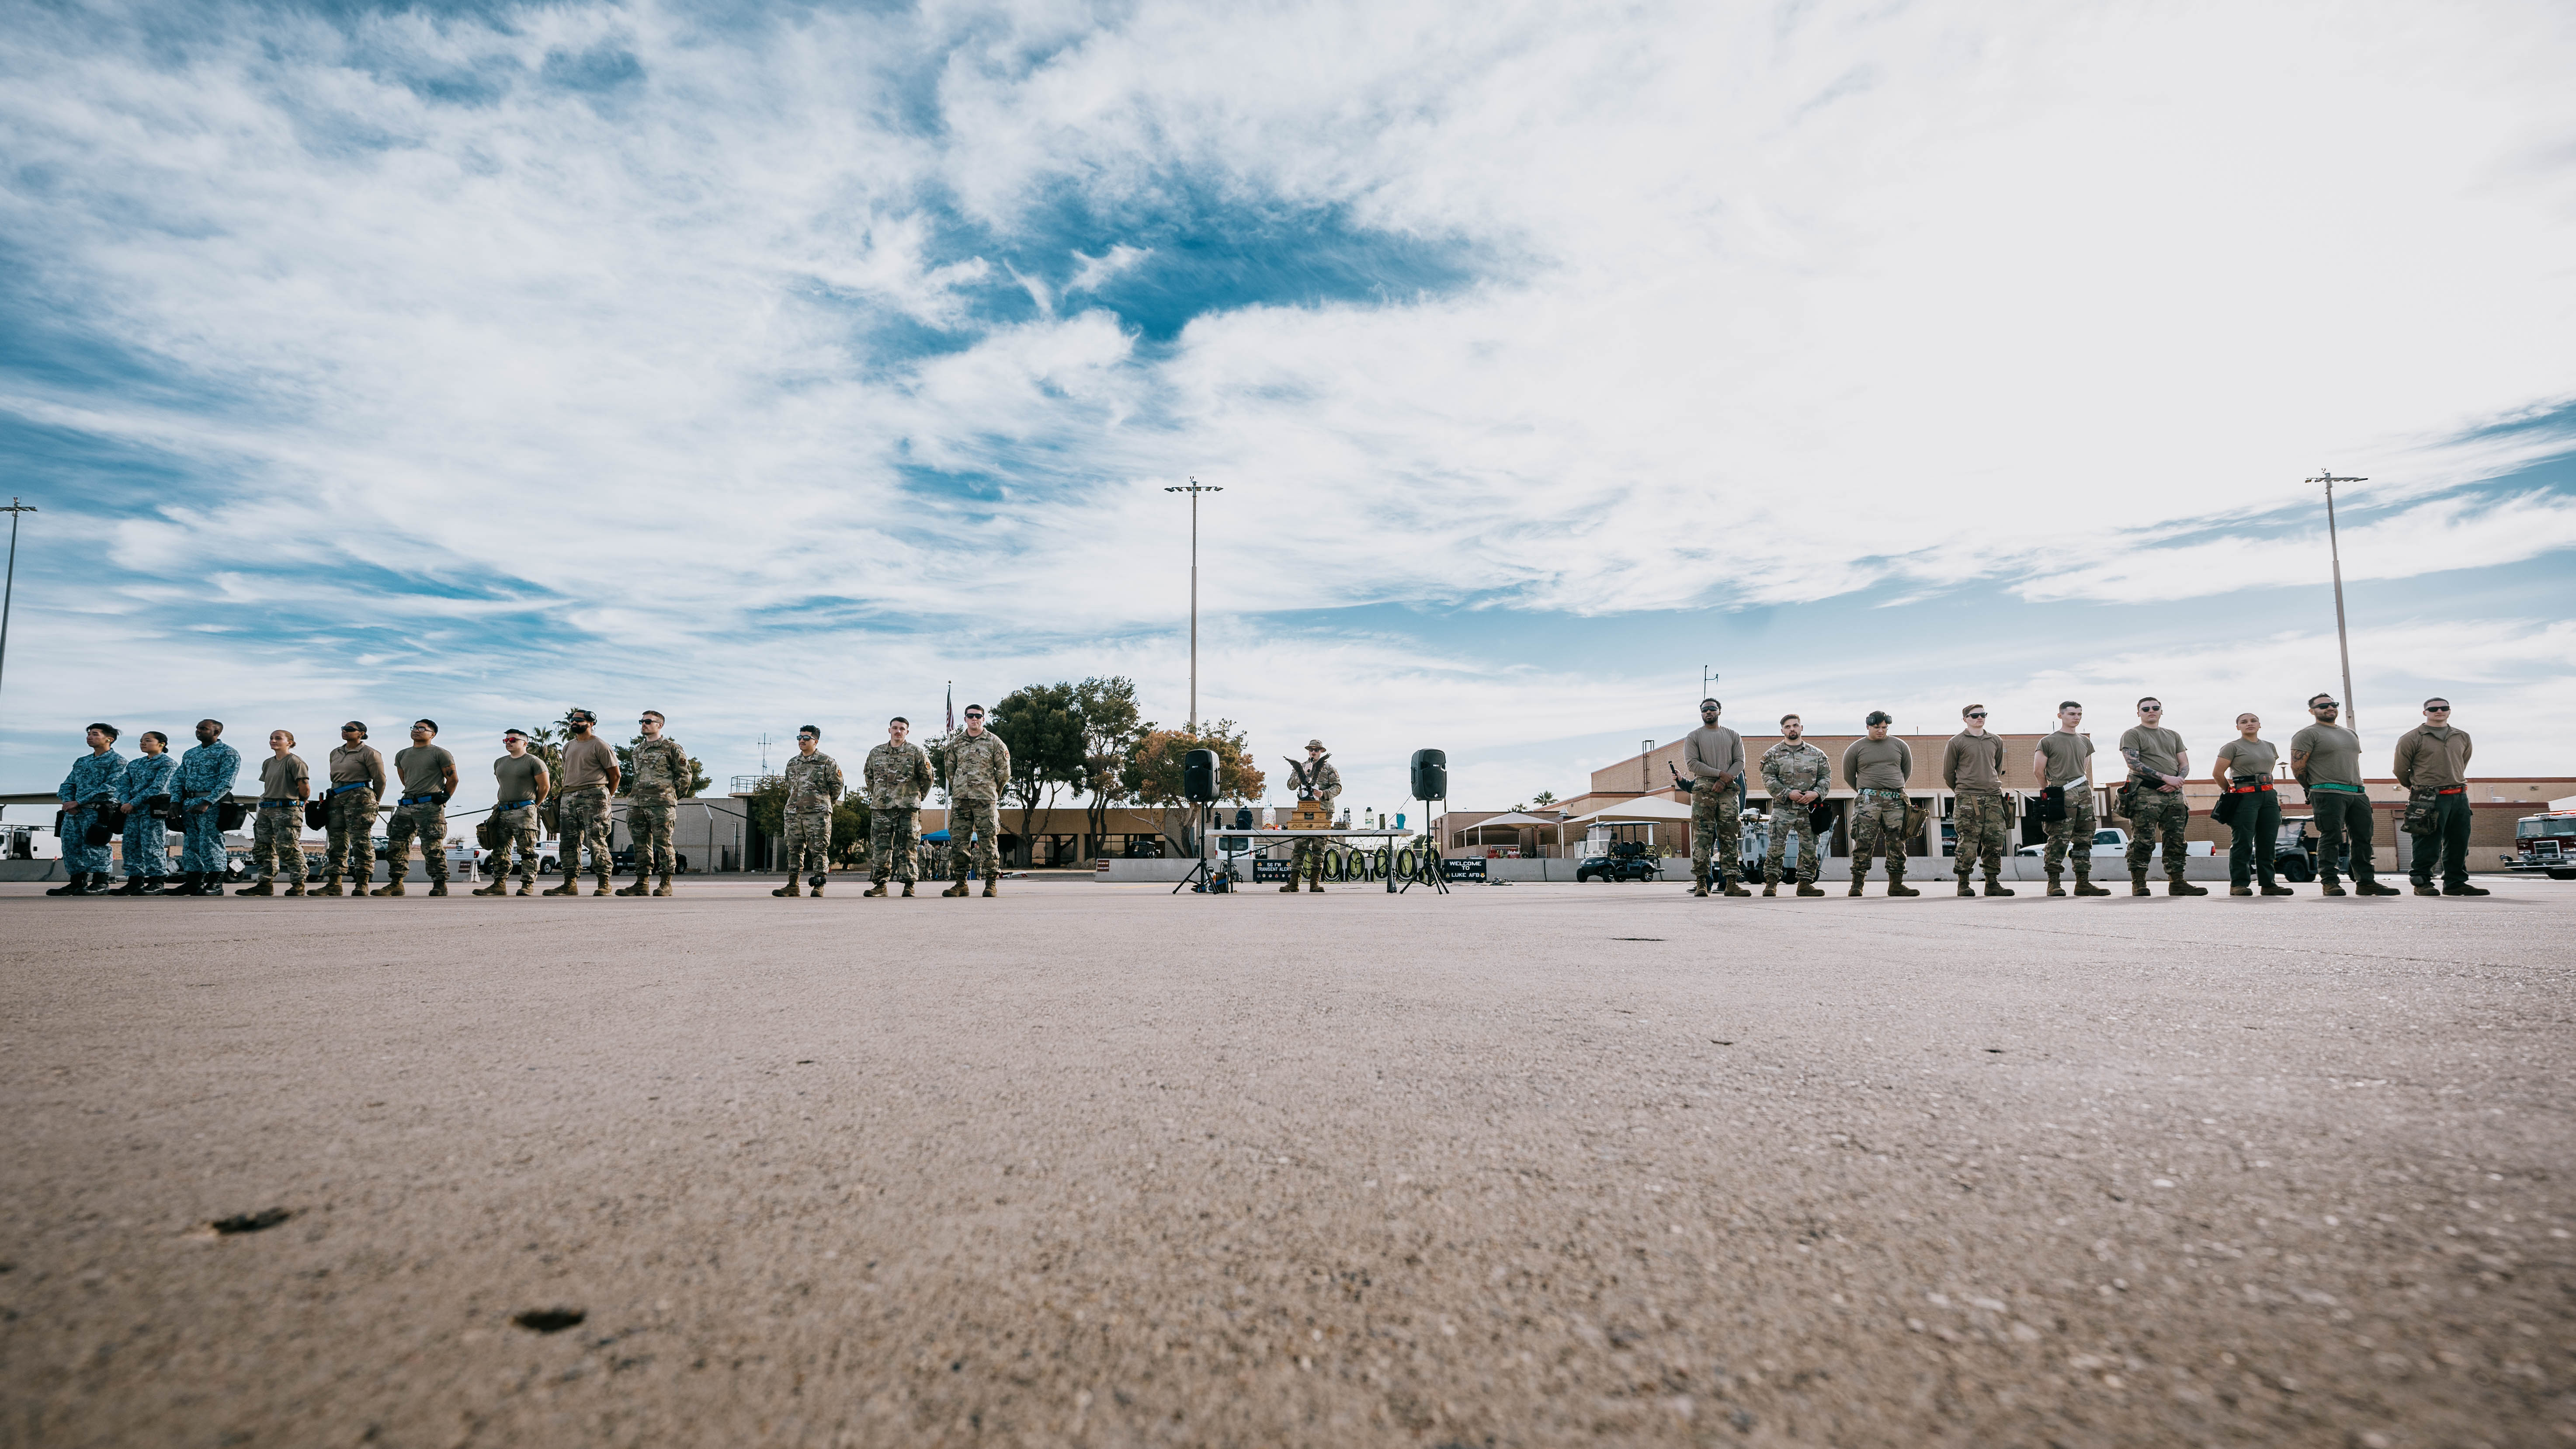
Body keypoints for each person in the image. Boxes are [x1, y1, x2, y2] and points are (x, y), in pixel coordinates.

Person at [2291, 692, 2396, 897]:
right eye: (2323, 706)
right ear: (2312, 711)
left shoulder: (2350, 734)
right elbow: (2298, 767)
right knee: (2332, 837)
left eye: (2333, 704)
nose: (2329, 708)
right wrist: (2313, 789)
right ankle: (2330, 882)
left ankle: (2366, 882)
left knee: (2363, 838)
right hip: (2327, 792)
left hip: (2357, 793)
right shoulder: (2307, 734)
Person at [2394, 697, 2483, 896]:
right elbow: (2400, 769)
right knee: (2427, 842)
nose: (2439, 711)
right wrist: (2418, 788)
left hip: (2459, 796)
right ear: (2425, 713)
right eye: (2433, 709)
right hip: (2428, 797)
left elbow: (2462, 762)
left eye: (2444, 708)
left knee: (2459, 841)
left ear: (2450, 711)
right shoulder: (2411, 738)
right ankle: (2422, 882)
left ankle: (2455, 883)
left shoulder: (2462, 736)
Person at [2119, 698, 2205, 896]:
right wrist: (2165, 778)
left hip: (2174, 795)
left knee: (2176, 840)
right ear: (2139, 712)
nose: (2151, 711)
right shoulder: (2132, 734)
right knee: (2143, 840)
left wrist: (2177, 780)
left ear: (2161, 711)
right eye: (2146, 709)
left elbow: (2184, 763)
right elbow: (2133, 763)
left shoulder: (2173, 735)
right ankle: (2139, 883)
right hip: (2145, 794)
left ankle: (2177, 882)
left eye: (2156, 708)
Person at [2031, 702, 2110, 897]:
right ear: (2060, 716)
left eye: (2079, 714)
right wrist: (2047, 792)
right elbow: (2038, 770)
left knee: (2084, 838)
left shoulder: (2084, 742)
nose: (2076, 718)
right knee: (2059, 838)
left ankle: (2083, 883)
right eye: (2072, 714)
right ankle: (2054, 883)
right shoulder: (2048, 741)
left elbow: (2084, 769)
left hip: (2083, 792)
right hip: (2061, 792)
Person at [2213, 712, 2293, 897]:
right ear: (2238, 727)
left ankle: (2269, 884)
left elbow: (2267, 771)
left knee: (2268, 841)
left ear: (2259, 724)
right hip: (2244, 797)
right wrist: (2229, 792)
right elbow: (2218, 773)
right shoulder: (2232, 747)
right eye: (2244, 722)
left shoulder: (2270, 747)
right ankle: (2239, 884)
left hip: (2269, 796)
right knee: (2243, 841)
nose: (2249, 724)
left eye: (2253, 721)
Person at [375, 719, 457, 897]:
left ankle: (439, 884)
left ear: (432, 734)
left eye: (422, 729)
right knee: (396, 845)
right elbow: (405, 779)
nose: (417, 731)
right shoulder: (402, 755)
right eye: (415, 728)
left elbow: (453, 779)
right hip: (407, 804)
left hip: (430, 806)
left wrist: (444, 797)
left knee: (432, 847)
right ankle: (396, 884)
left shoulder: (440, 754)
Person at [1839, 712, 1917, 897]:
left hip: (1896, 800)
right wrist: (1868, 790)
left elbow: (1906, 772)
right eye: (1877, 728)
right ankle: (1857, 885)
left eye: (1884, 728)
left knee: (1898, 842)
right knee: (1863, 841)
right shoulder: (1856, 748)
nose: (1881, 731)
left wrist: (1892, 787)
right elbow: (1849, 776)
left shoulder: (1900, 746)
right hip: (1868, 801)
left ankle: (1896, 884)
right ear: (1868, 727)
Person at [545, 709, 621, 897]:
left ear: (591, 723)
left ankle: (604, 882)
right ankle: (570, 883)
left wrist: (605, 798)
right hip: (569, 796)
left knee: (596, 840)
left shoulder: (600, 745)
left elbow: (615, 775)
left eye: (578, 720)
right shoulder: (568, 746)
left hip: (594, 794)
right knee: (568, 842)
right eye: (572, 720)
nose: (573, 723)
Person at [1941, 704, 2013, 897]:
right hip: (1968, 798)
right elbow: (1948, 773)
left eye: (1983, 715)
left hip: (1993, 797)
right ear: (1965, 719)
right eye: (1975, 716)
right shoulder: (1956, 742)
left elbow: (1997, 767)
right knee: (1968, 842)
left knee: (1994, 841)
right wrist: (1962, 791)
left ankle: (1992, 883)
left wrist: (1989, 785)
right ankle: (1963, 883)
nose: (1980, 718)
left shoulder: (1995, 740)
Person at [941, 704, 1011, 898]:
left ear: (983, 719)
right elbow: (950, 771)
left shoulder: (994, 743)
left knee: (988, 841)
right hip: (962, 800)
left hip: (985, 800)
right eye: (971, 716)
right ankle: (961, 884)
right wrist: (960, 788)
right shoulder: (955, 745)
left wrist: (993, 791)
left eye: (978, 716)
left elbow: (1004, 772)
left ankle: (991, 883)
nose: (974, 719)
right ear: (965, 719)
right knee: (958, 841)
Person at [1683, 698, 1750, 897]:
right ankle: (1702, 882)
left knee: (1729, 837)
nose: (1708, 712)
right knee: (1702, 838)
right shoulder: (1693, 737)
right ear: (1701, 714)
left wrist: (1725, 780)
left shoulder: (1732, 735)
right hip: (1704, 791)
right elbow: (1693, 764)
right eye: (1705, 710)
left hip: (1728, 791)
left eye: (1712, 709)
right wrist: (1720, 774)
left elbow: (1740, 762)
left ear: (1720, 712)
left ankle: (1731, 883)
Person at [49, 723, 127, 896]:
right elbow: (68, 784)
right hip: (74, 813)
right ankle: (77, 883)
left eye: (95, 734)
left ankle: (101, 882)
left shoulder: (118, 761)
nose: (90, 737)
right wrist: (69, 801)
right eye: (89, 734)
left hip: (96, 812)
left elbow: (112, 787)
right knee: (71, 846)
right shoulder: (82, 761)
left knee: (96, 845)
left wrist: (79, 801)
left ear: (109, 739)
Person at [619, 711, 691, 897]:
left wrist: (671, 797)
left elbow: (685, 776)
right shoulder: (638, 750)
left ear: (660, 725)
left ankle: (666, 883)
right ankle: (641, 884)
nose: (644, 724)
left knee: (663, 843)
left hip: (662, 804)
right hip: (637, 804)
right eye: (642, 721)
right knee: (640, 845)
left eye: (648, 721)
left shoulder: (672, 748)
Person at [1759, 715, 1832, 897]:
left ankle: (1805, 883)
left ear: (1802, 728)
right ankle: (1771, 883)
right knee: (1776, 846)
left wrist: (1816, 794)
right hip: (1783, 808)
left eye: (1795, 726)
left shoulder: (1816, 754)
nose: (1792, 729)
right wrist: (1787, 793)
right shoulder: (1773, 754)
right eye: (1788, 726)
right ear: (1782, 730)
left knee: (1810, 846)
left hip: (1809, 809)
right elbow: (1768, 778)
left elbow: (1826, 778)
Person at [863, 718, 935, 897]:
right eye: (895, 728)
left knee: (908, 846)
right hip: (881, 808)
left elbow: (928, 778)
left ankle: (909, 885)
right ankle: (880, 885)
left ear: (907, 732)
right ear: (889, 730)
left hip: (908, 808)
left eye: (902, 729)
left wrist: (916, 798)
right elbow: (869, 777)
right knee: (880, 847)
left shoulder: (915, 753)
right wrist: (880, 795)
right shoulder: (876, 753)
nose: (898, 731)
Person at [169, 719, 242, 895]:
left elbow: (227, 782)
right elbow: (178, 779)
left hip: (211, 805)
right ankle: (193, 882)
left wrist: (207, 802)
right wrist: (175, 801)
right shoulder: (190, 754)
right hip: (188, 804)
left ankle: (216, 884)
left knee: (211, 843)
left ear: (216, 732)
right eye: (197, 728)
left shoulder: (228, 753)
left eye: (204, 729)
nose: (198, 731)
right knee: (191, 844)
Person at [473, 729, 549, 897]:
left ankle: (527, 885)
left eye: (513, 740)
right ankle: (499, 884)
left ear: (525, 743)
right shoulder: (499, 763)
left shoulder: (534, 762)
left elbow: (545, 787)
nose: (509, 743)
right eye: (506, 740)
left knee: (527, 850)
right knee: (499, 850)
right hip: (502, 810)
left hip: (525, 811)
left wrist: (533, 806)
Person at [236, 730, 311, 896]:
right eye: (271, 738)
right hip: (267, 808)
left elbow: (304, 787)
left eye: (278, 738)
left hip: (287, 809)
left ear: (289, 743)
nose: (273, 741)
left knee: (288, 847)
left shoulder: (295, 762)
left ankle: (298, 884)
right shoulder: (268, 763)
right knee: (263, 847)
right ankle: (265, 884)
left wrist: (300, 803)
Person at [317, 720, 386, 897]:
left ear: (361, 733)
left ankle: (362, 883)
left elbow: (380, 780)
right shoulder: (336, 753)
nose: (345, 732)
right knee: (337, 840)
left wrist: (374, 802)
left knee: (361, 840)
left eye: (349, 730)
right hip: (336, 796)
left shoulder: (370, 753)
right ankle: (334, 884)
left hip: (360, 796)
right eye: (343, 729)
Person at [775, 725, 844, 897]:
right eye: (799, 738)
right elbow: (789, 787)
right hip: (794, 813)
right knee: (794, 849)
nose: (802, 741)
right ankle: (793, 885)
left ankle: (819, 886)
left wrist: (826, 804)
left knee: (819, 850)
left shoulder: (827, 762)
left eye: (806, 738)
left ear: (816, 741)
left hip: (818, 814)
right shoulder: (792, 764)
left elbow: (837, 786)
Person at [111, 730, 179, 893]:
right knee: (130, 846)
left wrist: (133, 803)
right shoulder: (135, 764)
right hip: (132, 812)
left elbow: (158, 787)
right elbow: (122, 785)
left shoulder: (167, 764)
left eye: (148, 741)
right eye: (142, 741)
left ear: (161, 744)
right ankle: (135, 881)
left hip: (153, 811)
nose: (143, 743)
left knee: (152, 846)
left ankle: (157, 882)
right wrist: (126, 802)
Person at [1282, 739, 1342, 893]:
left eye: (1317, 750)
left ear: (1321, 751)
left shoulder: (1329, 769)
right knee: (1299, 848)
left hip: (1323, 814)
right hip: (1304, 814)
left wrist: (1324, 793)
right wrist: (1306, 772)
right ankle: (1294, 883)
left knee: (1319, 848)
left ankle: (1314, 884)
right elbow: (1290, 785)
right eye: (1311, 750)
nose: (1314, 752)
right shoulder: (1302, 767)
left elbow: (1338, 787)